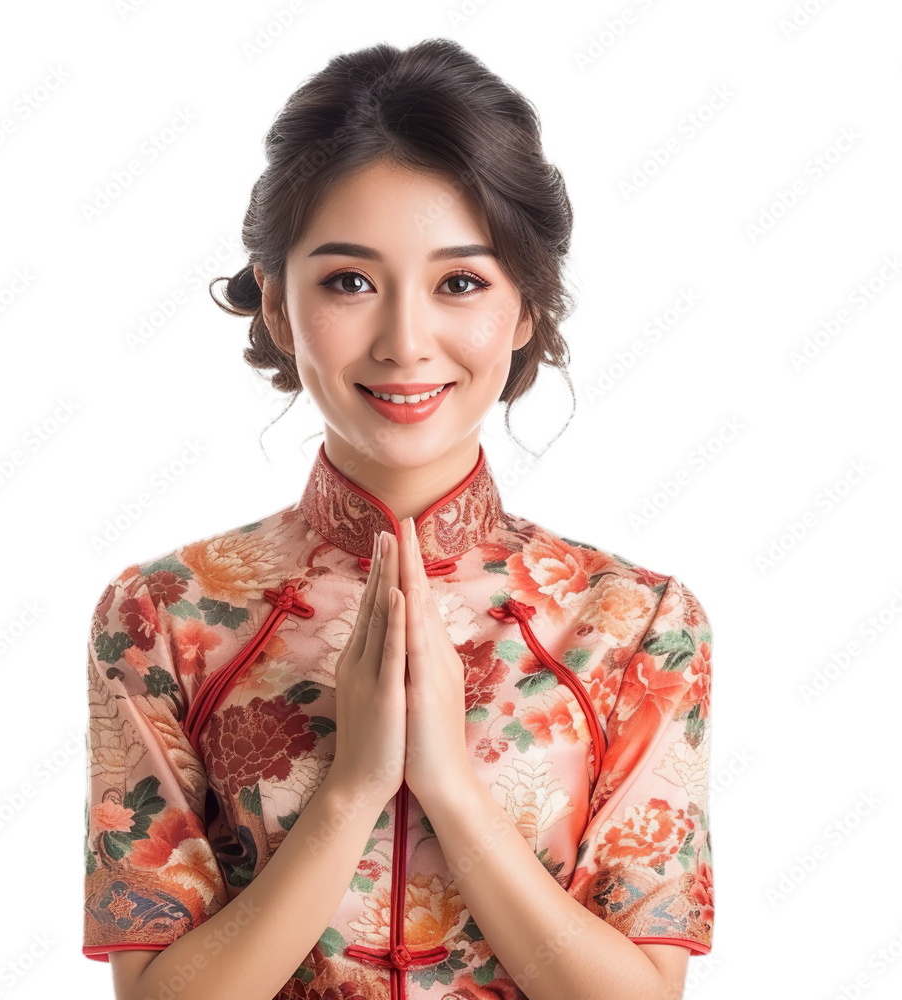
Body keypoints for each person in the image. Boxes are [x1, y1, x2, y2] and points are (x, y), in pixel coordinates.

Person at [81, 38, 714, 1000]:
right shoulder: (163, 615)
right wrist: (350, 791)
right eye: (348, 281)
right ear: (280, 308)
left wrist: (450, 789)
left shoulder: (636, 626)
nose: (406, 342)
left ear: (527, 306)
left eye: (460, 282)